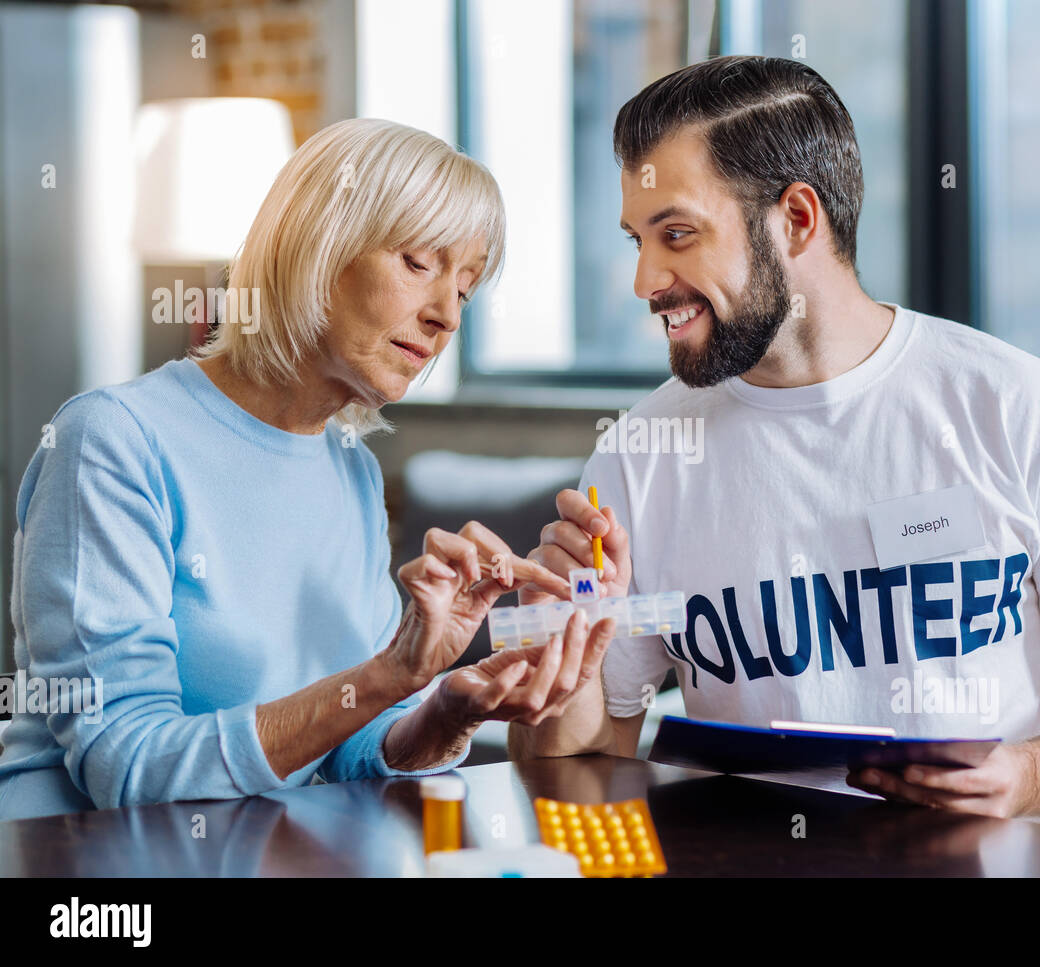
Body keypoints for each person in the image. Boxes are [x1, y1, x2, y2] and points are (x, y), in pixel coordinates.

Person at [508, 56, 1040, 831]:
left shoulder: (1018, 408)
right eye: (637, 240)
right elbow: (578, 769)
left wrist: (1024, 775)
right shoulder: (639, 455)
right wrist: (564, 651)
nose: (645, 279)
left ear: (797, 220)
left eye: (676, 233)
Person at [0, 118, 615, 821]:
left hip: (264, 849)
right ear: (318, 248)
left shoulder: (349, 471)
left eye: (466, 290)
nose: (447, 314)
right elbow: (129, 765)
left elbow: (352, 749)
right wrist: (387, 673)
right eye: (419, 261)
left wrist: (441, 705)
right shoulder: (111, 439)